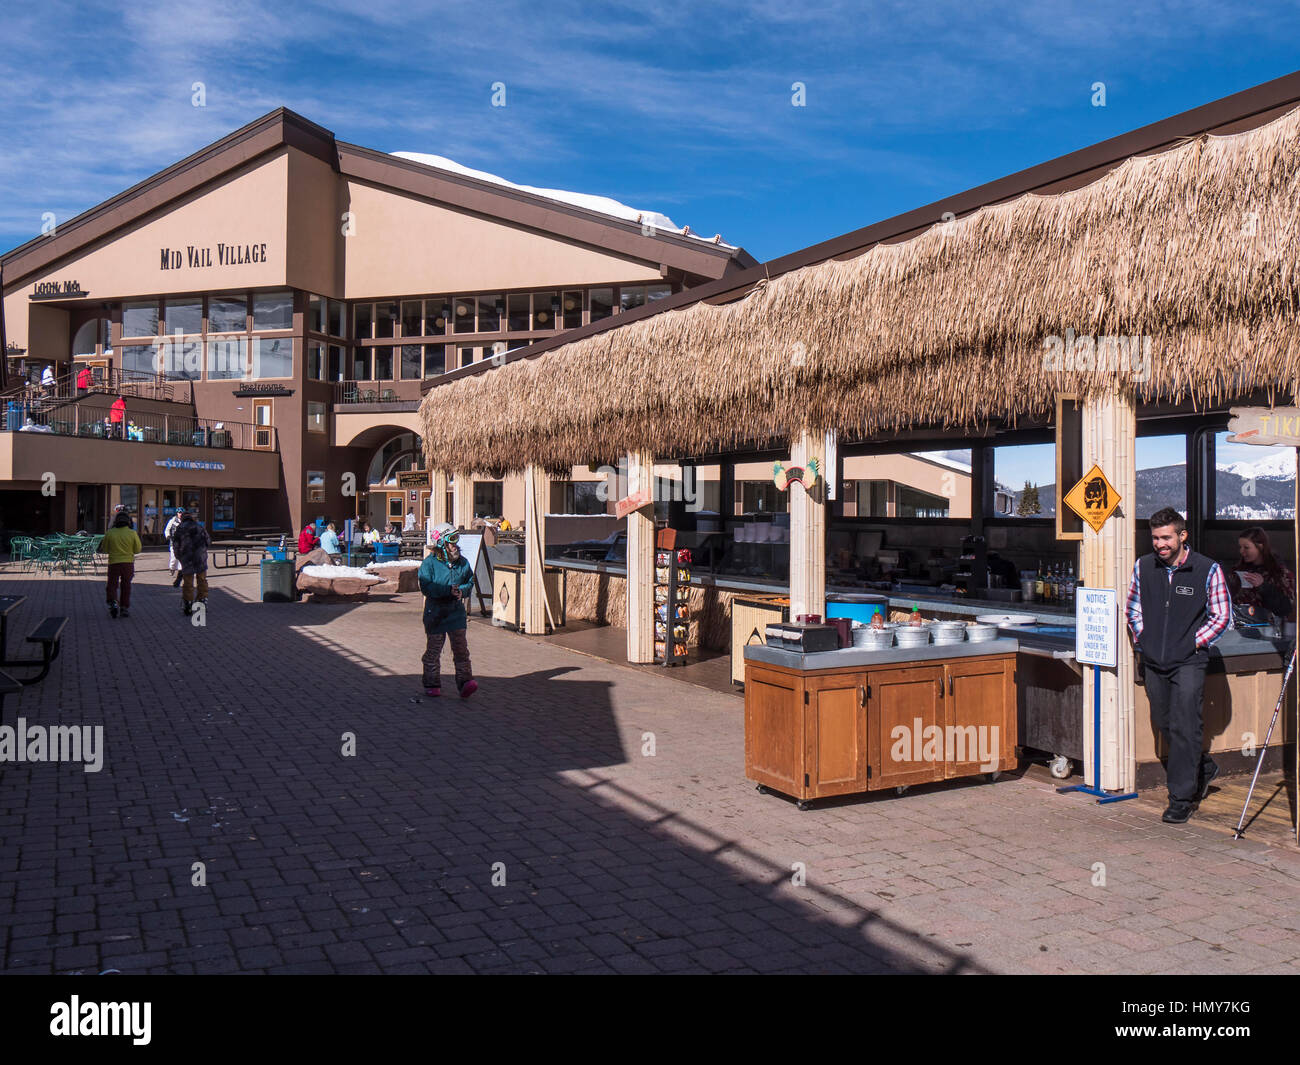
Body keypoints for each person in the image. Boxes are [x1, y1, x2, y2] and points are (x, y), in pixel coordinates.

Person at [1125, 506, 1232, 824]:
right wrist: (1145, 638)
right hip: (1154, 660)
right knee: (1165, 721)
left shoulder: (1206, 569)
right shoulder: (1144, 566)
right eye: (1155, 538)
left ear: (1182, 536)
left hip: (1189, 661)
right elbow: (1133, 608)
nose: (1160, 544)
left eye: (1166, 537)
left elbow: (1222, 615)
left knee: (1186, 725)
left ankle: (1181, 798)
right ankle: (1202, 767)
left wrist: (1191, 642)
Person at [418, 523, 477, 699]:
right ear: (441, 542)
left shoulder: (462, 562)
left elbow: (470, 581)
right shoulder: (429, 564)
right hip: (436, 612)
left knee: (460, 648)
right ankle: (432, 682)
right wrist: (446, 591)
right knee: (434, 649)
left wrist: (463, 590)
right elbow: (426, 586)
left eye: (457, 539)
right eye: (451, 539)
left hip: (455, 612)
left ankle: (465, 682)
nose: (455, 544)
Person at [1227, 526, 1296, 624]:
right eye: (1240, 547)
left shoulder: (1280, 574)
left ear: (1260, 546)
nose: (1241, 551)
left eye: (1246, 547)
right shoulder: (1237, 570)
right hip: (1239, 624)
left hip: (1268, 627)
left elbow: (1285, 609)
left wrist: (1263, 586)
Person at [102, 510, 142, 619]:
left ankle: (113, 602)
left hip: (114, 562)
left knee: (112, 585)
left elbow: (104, 549)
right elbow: (138, 549)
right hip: (128, 563)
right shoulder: (132, 533)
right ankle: (124, 607)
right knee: (126, 585)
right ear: (128, 522)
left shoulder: (110, 533)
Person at [171, 510, 210, 617]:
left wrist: (180, 557)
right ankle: (202, 601)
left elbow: (175, 545)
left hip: (187, 559)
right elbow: (208, 541)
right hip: (200, 558)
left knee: (188, 582)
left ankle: (188, 603)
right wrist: (202, 552)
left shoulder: (180, 529)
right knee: (202, 580)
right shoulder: (199, 527)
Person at [163, 508, 185, 586]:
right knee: (174, 557)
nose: (180, 514)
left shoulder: (184, 522)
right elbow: (167, 530)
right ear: (177, 513)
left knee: (181, 558)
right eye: (179, 512)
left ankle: (180, 571)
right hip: (174, 542)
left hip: (182, 542)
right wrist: (168, 536)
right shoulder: (172, 521)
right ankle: (172, 568)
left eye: (182, 512)